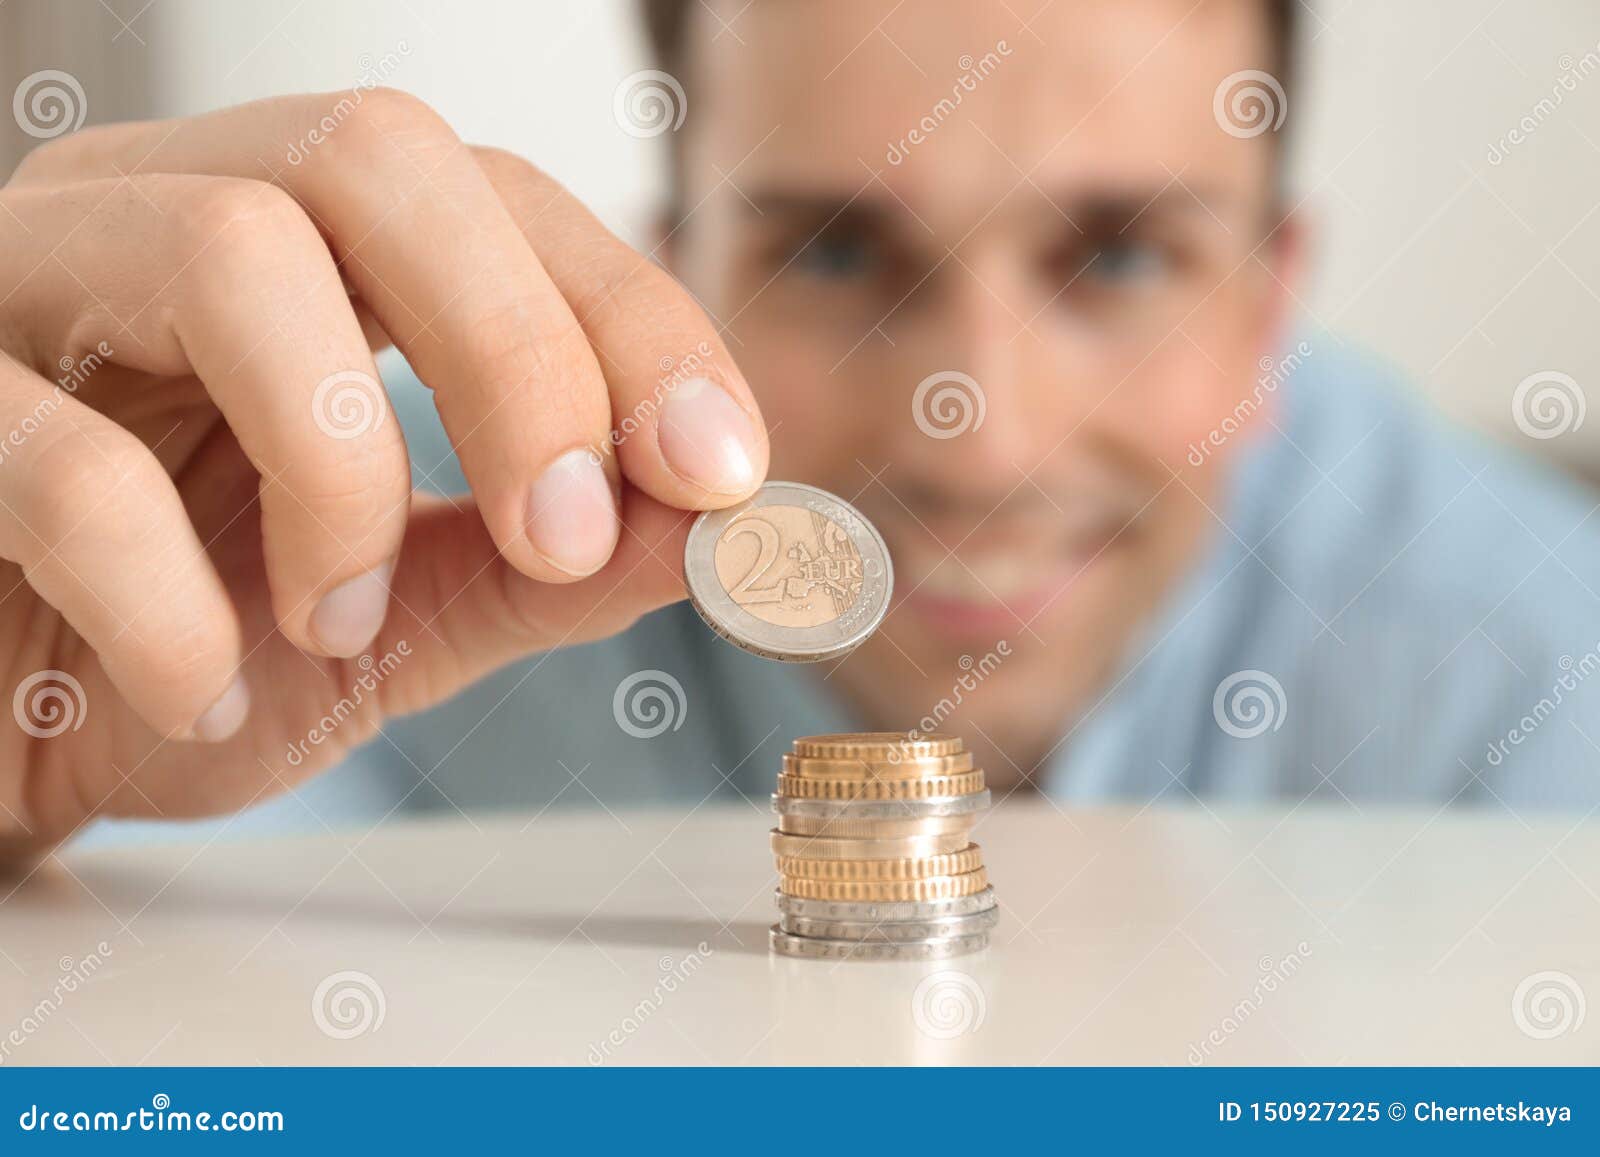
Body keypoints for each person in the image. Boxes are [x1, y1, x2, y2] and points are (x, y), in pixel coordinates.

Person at [2, 0, 1596, 866]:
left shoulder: (1535, 674)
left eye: (1116, 259)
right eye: (835, 251)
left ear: (1269, 307)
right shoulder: (302, 526)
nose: (981, 441)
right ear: (677, 256)